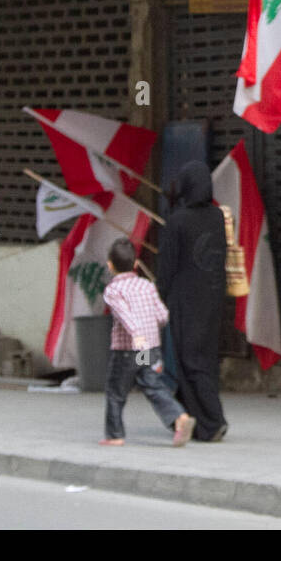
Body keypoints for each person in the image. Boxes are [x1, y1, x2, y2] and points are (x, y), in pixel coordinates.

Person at [98, 238, 195, 447]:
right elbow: (162, 314)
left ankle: (115, 435)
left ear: (110, 265)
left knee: (115, 392)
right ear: (135, 264)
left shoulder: (113, 291)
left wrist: (137, 333)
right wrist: (149, 333)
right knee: (152, 385)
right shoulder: (147, 285)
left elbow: (124, 315)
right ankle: (179, 417)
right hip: (149, 349)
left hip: (127, 350)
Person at [157, 160, 229, 442]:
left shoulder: (178, 220)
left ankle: (213, 421)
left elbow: (167, 265)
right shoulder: (216, 217)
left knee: (190, 361)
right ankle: (190, 419)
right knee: (204, 360)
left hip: (185, 300)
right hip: (212, 298)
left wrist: (159, 297)